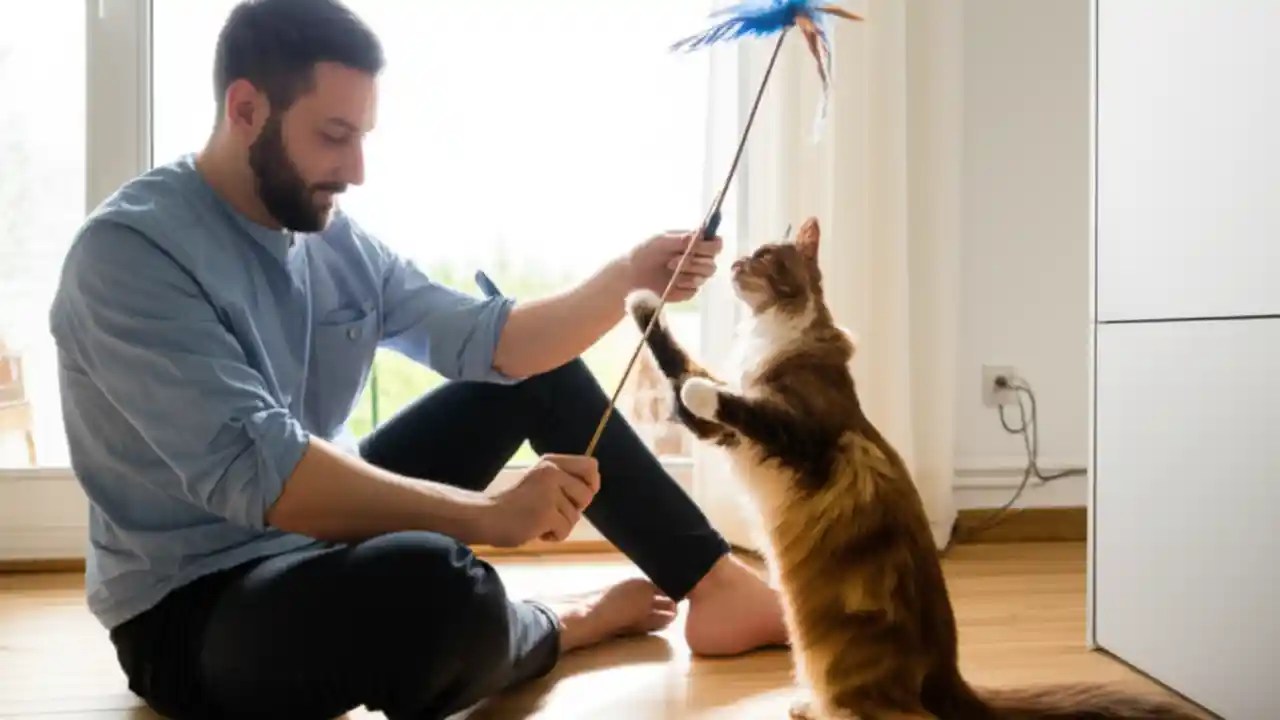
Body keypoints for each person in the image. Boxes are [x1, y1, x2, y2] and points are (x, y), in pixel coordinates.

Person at [48, 0, 788, 718]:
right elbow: (266, 475)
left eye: (364, 134)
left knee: (534, 377)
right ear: (245, 110)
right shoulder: (130, 256)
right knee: (434, 591)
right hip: (196, 608)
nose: (358, 168)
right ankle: (563, 624)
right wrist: (491, 516)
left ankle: (716, 585)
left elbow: (488, 340)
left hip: (318, 533)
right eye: (335, 134)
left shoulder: (328, 234)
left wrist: (627, 275)